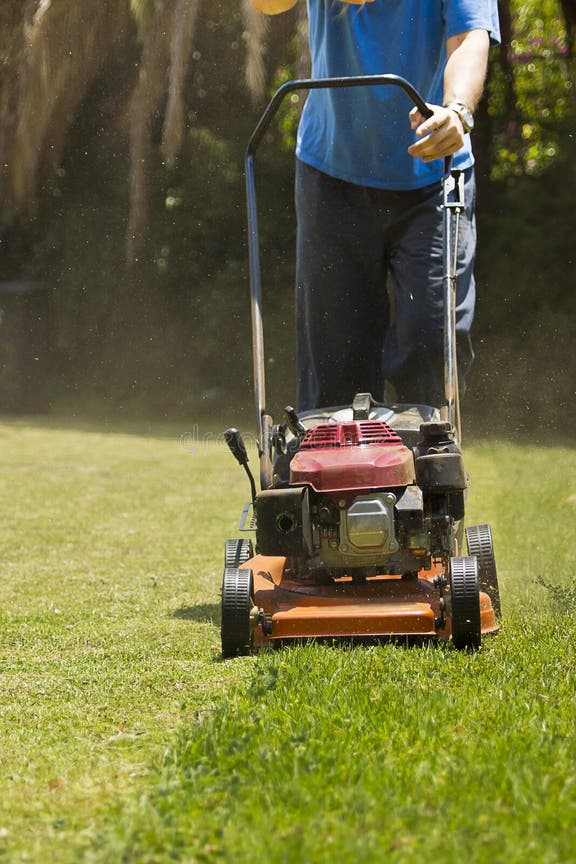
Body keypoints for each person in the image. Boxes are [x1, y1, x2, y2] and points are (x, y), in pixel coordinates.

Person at [252, 0, 500, 411]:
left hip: (433, 178)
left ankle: (429, 459)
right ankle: (341, 468)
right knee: (336, 368)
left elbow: (470, 36)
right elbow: (266, 4)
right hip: (331, 175)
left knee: (431, 342)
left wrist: (457, 110)